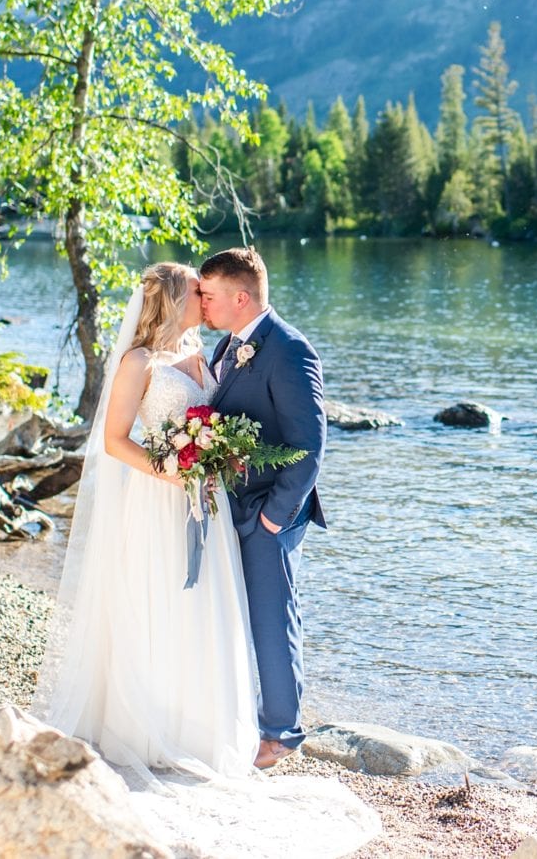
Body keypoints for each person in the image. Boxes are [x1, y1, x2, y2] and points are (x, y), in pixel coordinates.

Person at [37, 262, 260, 776]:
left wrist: (219, 457)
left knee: (204, 604)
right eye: (199, 293)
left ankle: (201, 725)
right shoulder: (138, 361)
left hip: (205, 499)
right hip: (158, 498)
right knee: (158, 598)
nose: (207, 299)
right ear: (176, 300)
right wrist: (173, 472)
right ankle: (149, 725)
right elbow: (115, 441)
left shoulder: (202, 352)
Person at [198, 247, 328, 770]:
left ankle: (281, 734)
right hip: (231, 510)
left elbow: (309, 447)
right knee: (236, 616)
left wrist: (275, 517)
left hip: (270, 516)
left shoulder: (290, 350)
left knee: (272, 621)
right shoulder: (226, 345)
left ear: (240, 297)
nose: (202, 304)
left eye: (209, 295)